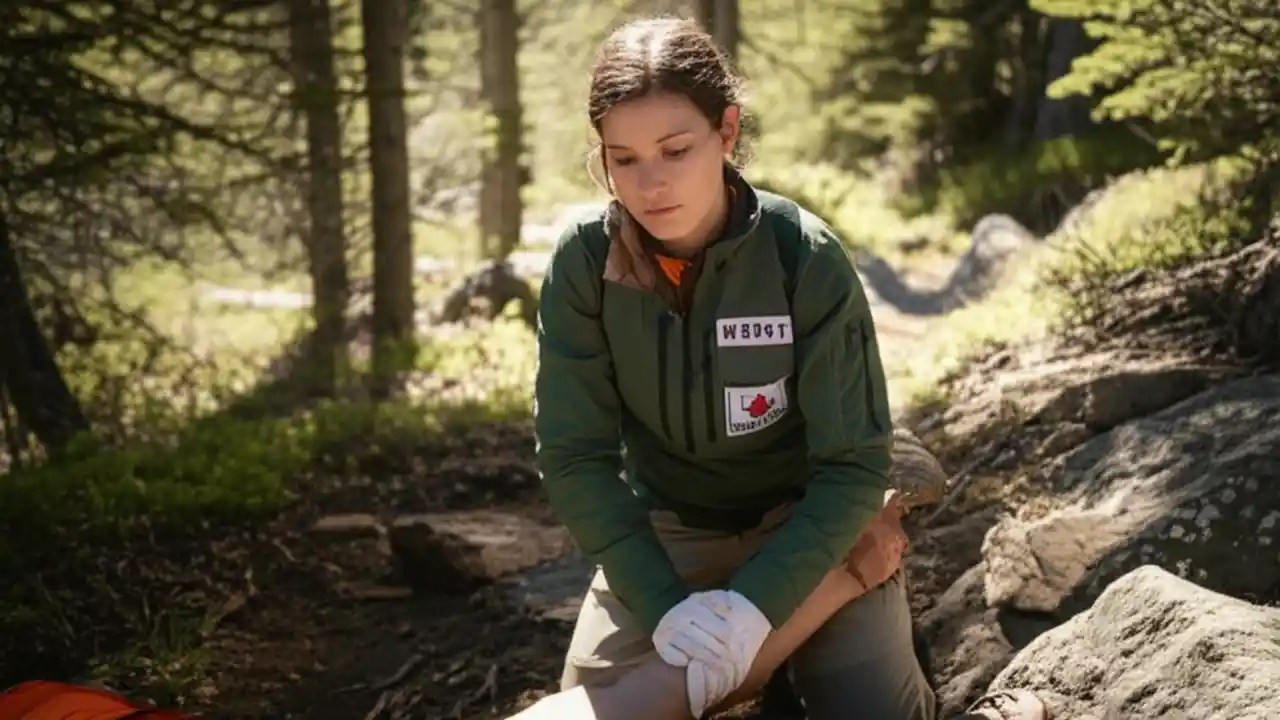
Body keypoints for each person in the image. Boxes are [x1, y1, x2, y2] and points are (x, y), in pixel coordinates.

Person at [531, 16, 1048, 720]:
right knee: (603, 710)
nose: (651, 184)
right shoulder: (584, 263)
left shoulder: (802, 255)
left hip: (807, 526)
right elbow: (574, 456)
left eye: (676, 150)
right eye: (624, 159)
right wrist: (663, 606)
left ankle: (858, 626)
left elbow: (852, 466)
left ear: (727, 131)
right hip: (665, 533)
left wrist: (754, 607)